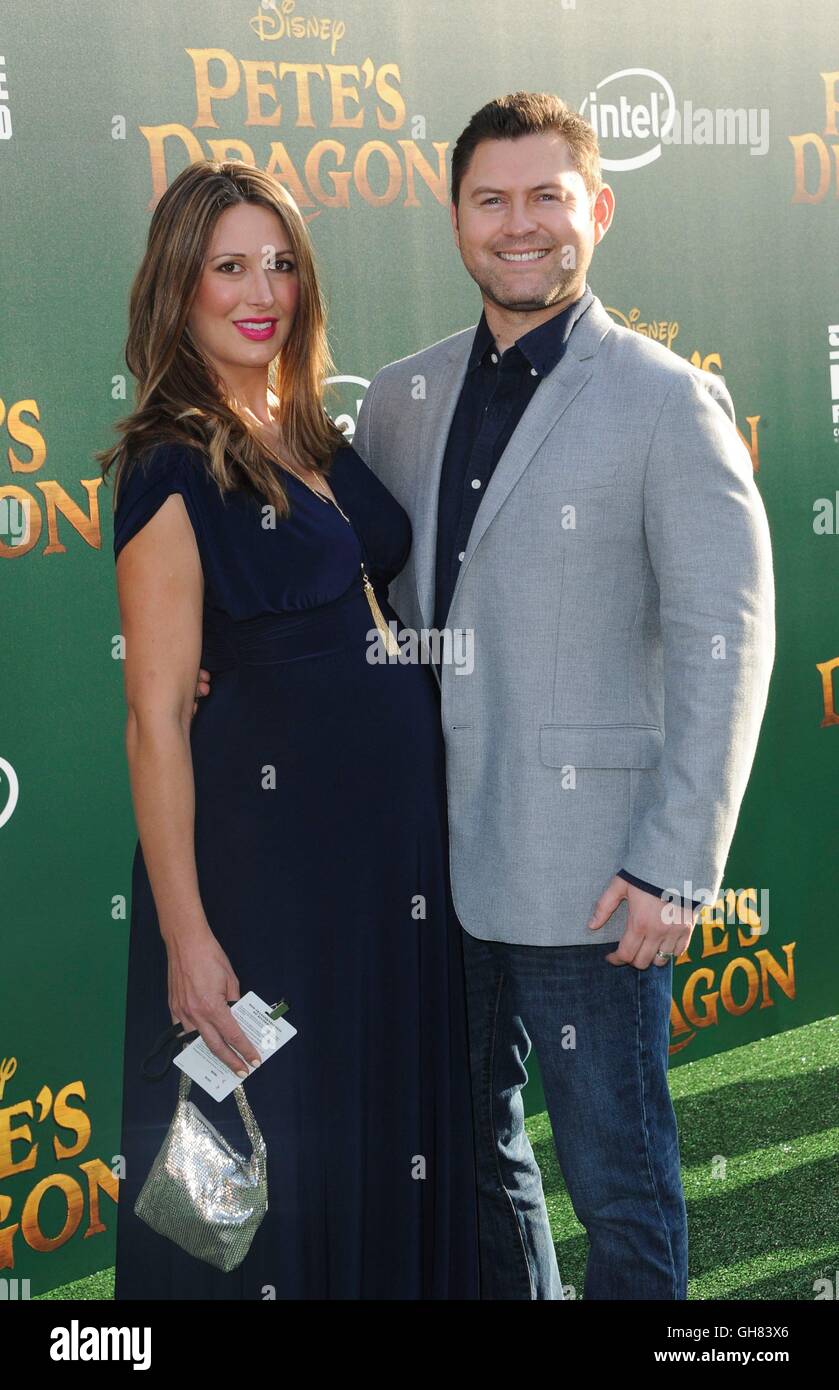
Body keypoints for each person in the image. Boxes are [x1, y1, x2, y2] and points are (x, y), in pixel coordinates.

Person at [195, 94, 776, 1300]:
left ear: (595, 210)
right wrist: (217, 649)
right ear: (456, 219)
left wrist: (678, 859)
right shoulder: (400, 398)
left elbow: (727, 635)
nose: (519, 227)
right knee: (474, 1158)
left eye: (545, 196)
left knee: (619, 1182)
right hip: (417, 862)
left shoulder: (667, 399)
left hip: (591, 875)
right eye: (489, 200)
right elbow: (333, 566)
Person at [99, 158, 480, 1300]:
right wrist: (186, 935)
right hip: (270, 876)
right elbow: (156, 719)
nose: (260, 289)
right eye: (228, 266)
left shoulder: (302, 422)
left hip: (382, 869)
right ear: (180, 286)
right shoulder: (169, 466)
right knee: (274, 1143)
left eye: (279, 262)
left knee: (376, 1126)